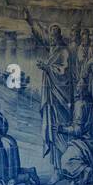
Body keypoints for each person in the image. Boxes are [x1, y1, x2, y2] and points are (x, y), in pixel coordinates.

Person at [25, 9, 73, 173]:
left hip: (60, 100)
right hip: (51, 98)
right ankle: (57, 168)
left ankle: (65, 168)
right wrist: (30, 21)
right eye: (50, 37)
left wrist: (47, 68)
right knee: (51, 129)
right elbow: (41, 36)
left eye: (53, 37)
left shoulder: (63, 51)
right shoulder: (53, 48)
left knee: (59, 130)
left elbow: (64, 73)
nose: (50, 40)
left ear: (58, 37)